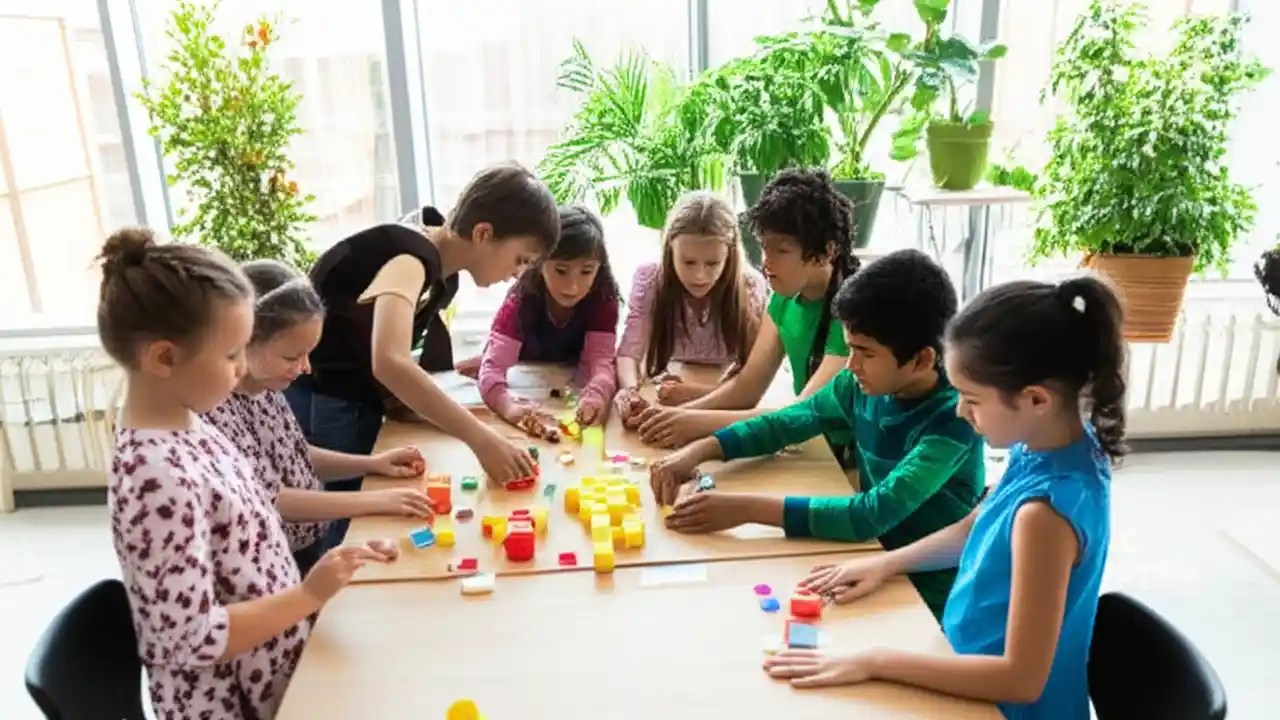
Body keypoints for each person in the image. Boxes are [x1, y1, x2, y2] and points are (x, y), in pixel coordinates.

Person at [766, 276, 1125, 720]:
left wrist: (875, 660)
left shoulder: (1045, 515)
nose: (959, 411)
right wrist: (886, 562)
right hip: (960, 663)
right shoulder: (1049, 442)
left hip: (999, 706)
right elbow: (976, 524)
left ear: (1035, 399)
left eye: (972, 400)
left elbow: (1021, 679)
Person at [98, 228, 395, 719]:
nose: (241, 370)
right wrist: (308, 594)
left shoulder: (189, 423)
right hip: (232, 702)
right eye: (232, 354)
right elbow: (189, 638)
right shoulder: (153, 478)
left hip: (272, 665)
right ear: (164, 358)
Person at [650, 249, 984, 617]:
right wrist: (702, 449)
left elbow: (868, 515)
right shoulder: (858, 385)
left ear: (921, 359)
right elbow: (788, 422)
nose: (851, 365)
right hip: (865, 558)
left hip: (931, 593)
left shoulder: (956, 418)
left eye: (865, 353)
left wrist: (745, 508)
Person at [286, 162, 559, 500]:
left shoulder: (441, 271)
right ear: (484, 234)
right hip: (325, 401)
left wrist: (478, 420)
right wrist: (480, 439)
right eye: (521, 259)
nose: (518, 274)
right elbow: (389, 361)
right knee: (349, 521)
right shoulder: (411, 260)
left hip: (353, 399)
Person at [203, 260, 435, 569]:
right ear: (243, 339)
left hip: (305, 548)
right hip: (265, 564)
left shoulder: (265, 389)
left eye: (308, 354)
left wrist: (373, 464)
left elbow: (296, 455)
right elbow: (271, 497)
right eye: (292, 356)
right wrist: (377, 501)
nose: (306, 368)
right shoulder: (214, 408)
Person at [635, 169, 858, 461]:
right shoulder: (783, 296)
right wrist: (671, 415)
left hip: (848, 463)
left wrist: (690, 423)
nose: (766, 262)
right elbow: (747, 389)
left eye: (781, 250)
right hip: (813, 449)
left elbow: (801, 415)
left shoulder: (854, 313)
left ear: (826, 252)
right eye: (763, 247)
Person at [612, 191, 768, 427]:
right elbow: (629, 353)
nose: (699, 276)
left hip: (725, 411)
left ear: (730, 255)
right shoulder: (650, 279)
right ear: (670, 249)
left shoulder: (749, 287)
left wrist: (692, 393)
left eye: (713, 263)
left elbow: (754, 380)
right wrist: (629, 391)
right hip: (664, 397)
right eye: (688, 262)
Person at [478, 206, 620, 435]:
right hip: (526, 374)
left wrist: (596, 395)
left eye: (587, 271)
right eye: (561, 270)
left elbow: (601, 362)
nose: (573, 287)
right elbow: (493, 369)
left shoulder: (603, 299)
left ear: (599, 268)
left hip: (569, 385)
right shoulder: (521, 299)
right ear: (539, 263)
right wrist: (509, 407)